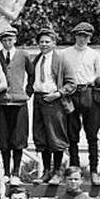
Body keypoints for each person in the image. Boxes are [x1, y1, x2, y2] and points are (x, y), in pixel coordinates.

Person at [62, 21, 100, 183]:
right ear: (75, 36)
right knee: (72, 134)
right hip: (71, 93)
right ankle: (74, 170)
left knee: (92, 134)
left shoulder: (94, 54)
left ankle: (94, 171)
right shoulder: (65, 53)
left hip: (89, 93)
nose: (82, 39)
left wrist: (93, 82)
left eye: (85, 36)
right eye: (79, 35)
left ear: (89, 38)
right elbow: (59, 72)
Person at [29, 25, 71, 183]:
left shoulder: (61, 60)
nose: (44, 44)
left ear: (54, 43)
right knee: (41, 136)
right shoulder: (37, 59)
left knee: (56, 136)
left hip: (54, 100)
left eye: (47, 41)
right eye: (41, 42)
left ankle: (57, 172)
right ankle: (46, 171)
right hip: (39, 99)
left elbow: (71, 83)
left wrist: (58, 94)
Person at [0, 27, 32, 179]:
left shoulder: (23, 55)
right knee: (4, 138)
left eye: (10, 39)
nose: (7, 42)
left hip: (19, 102)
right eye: (4, 40)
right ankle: (6, 172)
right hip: (1, 102)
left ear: (15, 40)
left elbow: (32, 74)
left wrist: (27, 92)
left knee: (18, 138)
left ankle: (16, 172)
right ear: (1, 41)